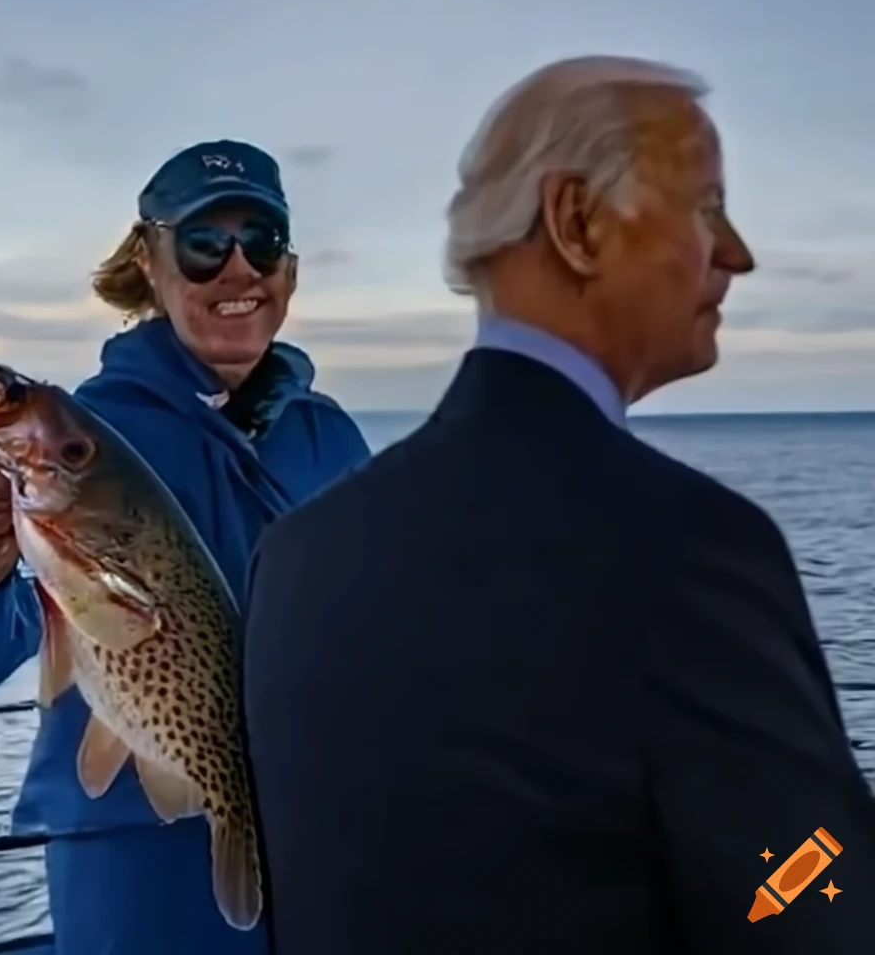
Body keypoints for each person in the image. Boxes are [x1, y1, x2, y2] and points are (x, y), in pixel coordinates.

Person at [242, 58, 875, 953]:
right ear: (578, 223)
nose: (736, 254)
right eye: (706, 207)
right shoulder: (689, 546)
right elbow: (811, 903)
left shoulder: (299, 556)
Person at [0, 139, 371, 955]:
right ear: (148, 266)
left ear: (289, 274)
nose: (236, 271)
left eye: (260, 244)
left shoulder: (329, 438)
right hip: (135, 855)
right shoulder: (83, 441)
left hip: (323, 836)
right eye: (202, 246)